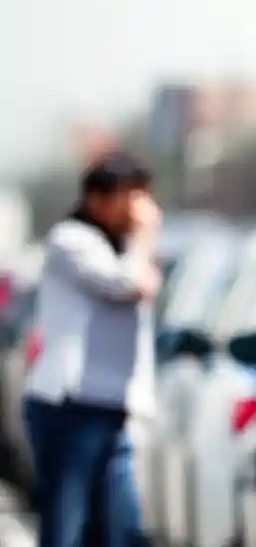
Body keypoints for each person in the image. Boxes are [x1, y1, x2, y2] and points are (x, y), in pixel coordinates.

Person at [23, 153, 162, 547]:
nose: (140, 210)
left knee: (122, 529)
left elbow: (144, 285)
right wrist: (145, 237)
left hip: (112, 409)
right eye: (130, 197)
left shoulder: (124, 248)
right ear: (96, 200)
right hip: (71, 408)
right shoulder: (71, 241)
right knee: (68, 528)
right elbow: (125, 286)